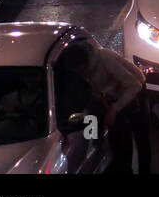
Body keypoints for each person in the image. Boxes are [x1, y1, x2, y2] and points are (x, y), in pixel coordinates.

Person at [59, 41, 150, 174]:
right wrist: (103, 100)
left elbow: (134, 85)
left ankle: (145, 170)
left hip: (136, 93)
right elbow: (95, 88)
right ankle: (124, 168)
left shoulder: (106, 60)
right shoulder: (83, 70)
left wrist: (114, 109)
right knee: (120, 141)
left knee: (141, 136)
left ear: (83, 63)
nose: (77, 73)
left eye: (77, 69)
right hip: (114, 96)